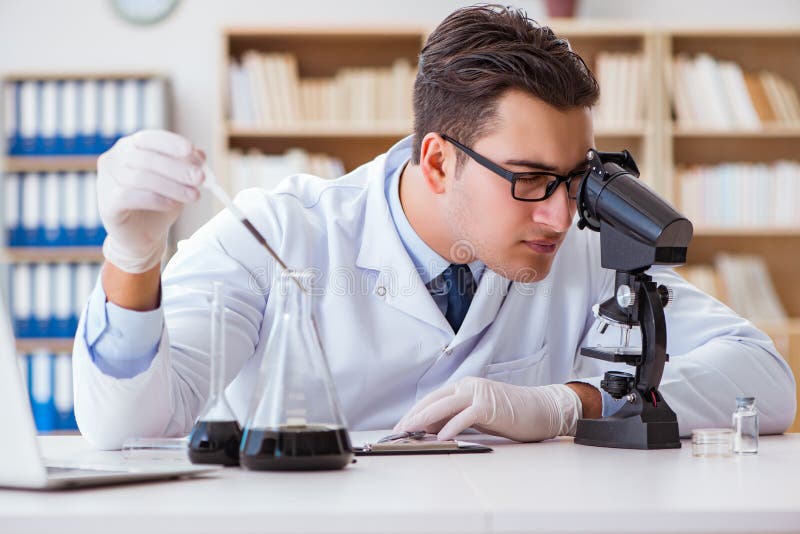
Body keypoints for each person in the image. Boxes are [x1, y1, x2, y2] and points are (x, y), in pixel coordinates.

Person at [74, 5, 796, 449]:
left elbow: (765, 381)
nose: (560, 212)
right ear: (439, 160)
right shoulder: (280, 234)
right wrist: (134, 259)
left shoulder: (577, 247)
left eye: (574, 178)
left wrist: (568, 405)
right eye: (529, 179)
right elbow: (128, 431)